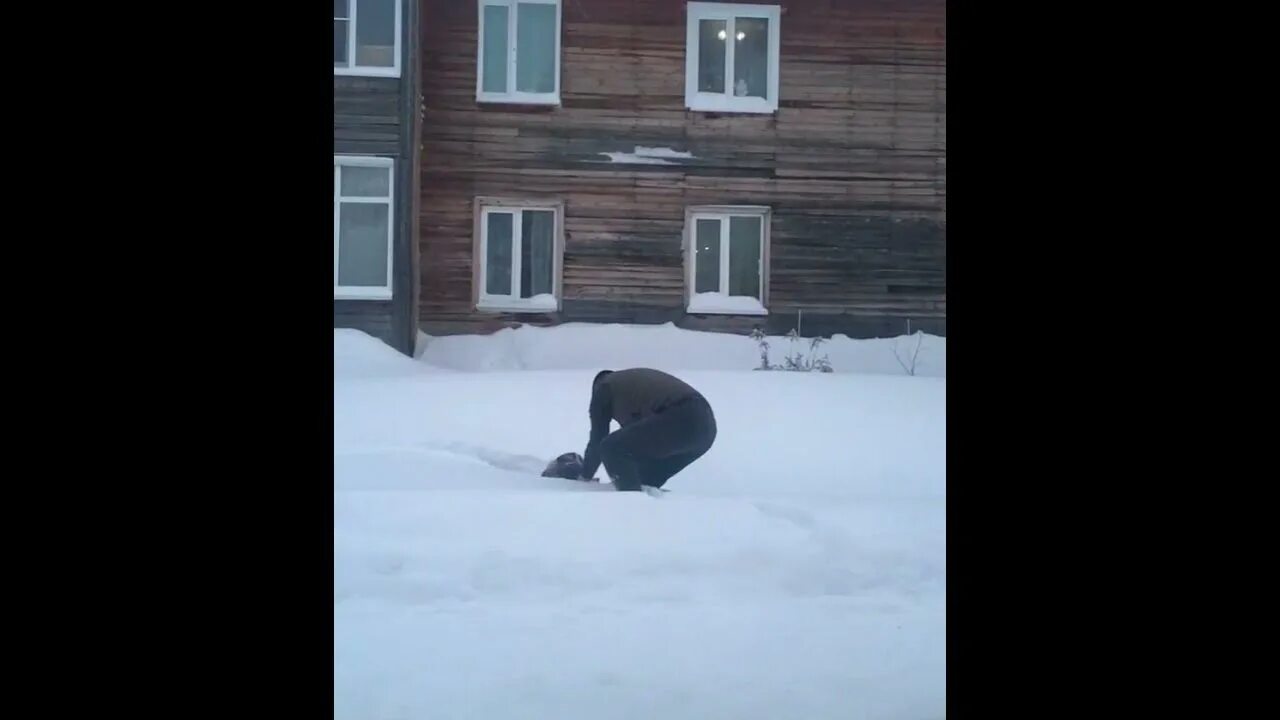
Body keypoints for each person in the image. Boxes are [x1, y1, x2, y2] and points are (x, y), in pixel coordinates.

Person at [578, 368, 717, 491]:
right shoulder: (632, 388)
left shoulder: (604, 386)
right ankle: (650, 511)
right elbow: (637, 438)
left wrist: (584, 476)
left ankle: (632, 505)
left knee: (611, 448)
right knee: (644, 479)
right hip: (706, 429)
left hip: (683, 413)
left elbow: (599, 439)